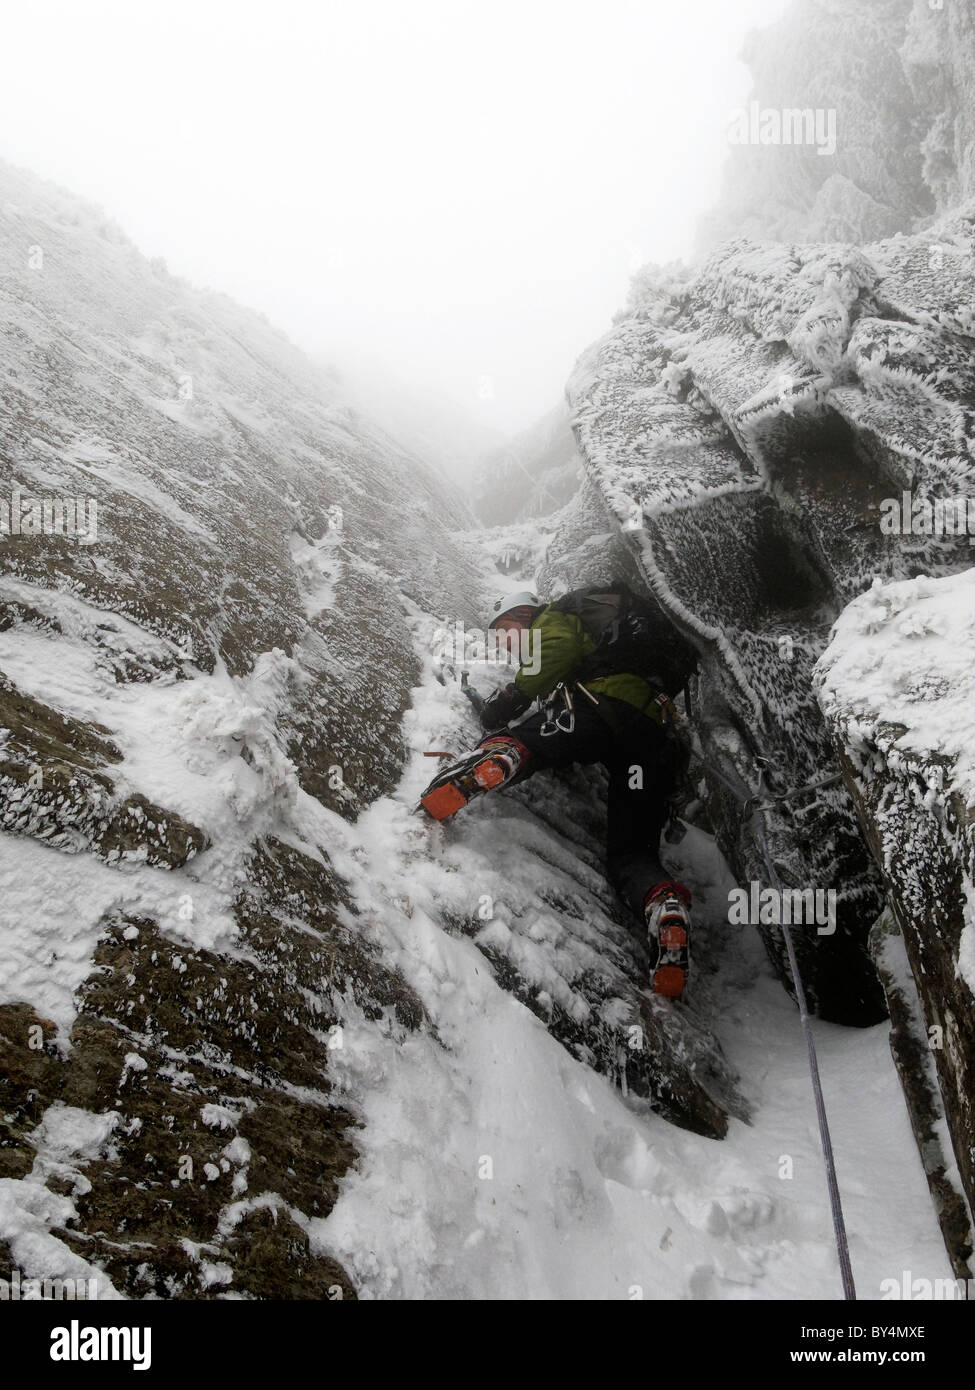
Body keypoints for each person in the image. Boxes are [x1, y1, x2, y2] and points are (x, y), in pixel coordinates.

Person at [421, 583, 697, 998]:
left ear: (528, 614)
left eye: (508, 629)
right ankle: (664, 907)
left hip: (598, 704)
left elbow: (556, 652)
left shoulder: (555, 615)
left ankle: (494, 761)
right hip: (649, 736)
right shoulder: (629, 643)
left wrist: (509, 701)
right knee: (631, 853)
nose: (507, 641)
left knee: (533, 739)